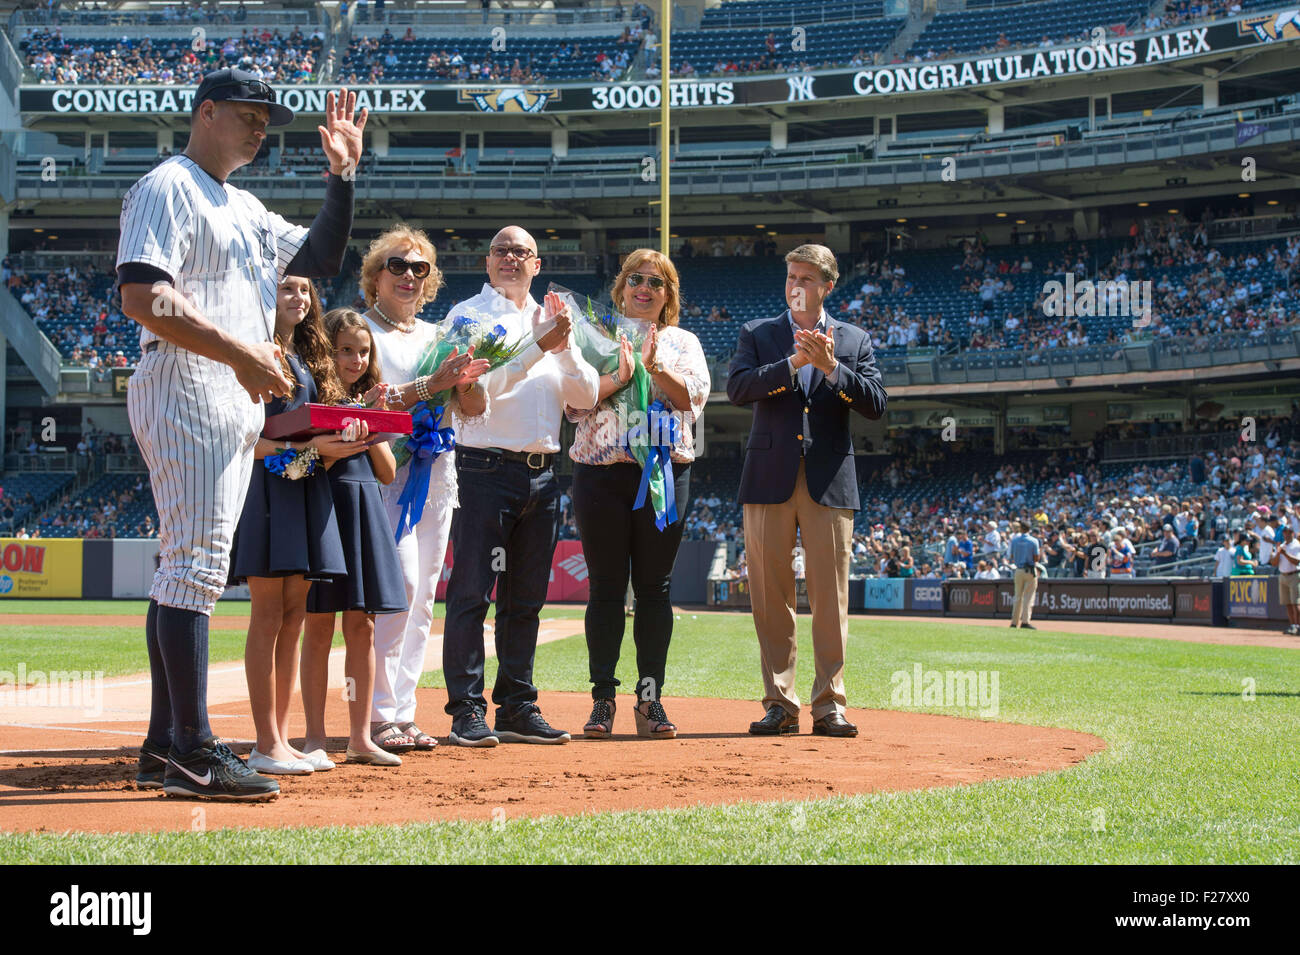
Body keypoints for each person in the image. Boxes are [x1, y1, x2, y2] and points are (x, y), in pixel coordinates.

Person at [117, 72, 365, 801]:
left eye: (267, 118)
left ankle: (165, 746)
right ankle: (194, 751)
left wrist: (343, 175)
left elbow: (320, 257)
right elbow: (142, 293)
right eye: (248, 114)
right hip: (187, 378)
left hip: (228, 390)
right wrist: (239, 351)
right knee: (193, 565)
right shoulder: (169, 185)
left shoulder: (246, 204)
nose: (261, 126)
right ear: (206, 112)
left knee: (185, 565)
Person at [440, 226, 599, 746]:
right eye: (501, 251)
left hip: (544, 472)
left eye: (522, 252)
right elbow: (475, 392)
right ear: (487, 262)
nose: (511, 258)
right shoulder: (467, 316)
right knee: (471, 593)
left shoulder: (554, 316)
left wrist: (566, 346)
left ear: (537, 262)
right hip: (484, 467)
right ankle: (466, 710)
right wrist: (539, 345)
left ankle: (516, 705)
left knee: (526, 599)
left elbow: (587, 394)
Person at [727, 243, 888, 738]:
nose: (795, 285)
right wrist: (794, 364)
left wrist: (833, 370)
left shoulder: (854, 339)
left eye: (805, 278)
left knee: (829, 598)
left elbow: (877, 404)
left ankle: (829, 705)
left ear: (827, 286)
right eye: (790, 276)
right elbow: (737, 390)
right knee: (771, 598)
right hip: (768, 479)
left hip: (830, 481)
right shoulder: (759, 333)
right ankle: (779, 702)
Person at [567, 249, 709, 740]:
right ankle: (602, 700)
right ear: (621, 287)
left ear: (669, 294)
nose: (644, 288)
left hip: (662, 474)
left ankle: (650, 702)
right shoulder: (594, 336)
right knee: (605, 588)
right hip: (600, 475)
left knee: (654, 590)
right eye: (635, 279)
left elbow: (693, 397)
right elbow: (572, 403)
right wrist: (623, 377)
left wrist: (653, 369)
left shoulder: (683, 341)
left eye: (657, 281)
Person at [358, 225, 489, 754]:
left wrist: (468, 383)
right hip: (385, 475)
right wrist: (429, 388)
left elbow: (475, 411)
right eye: (396, 265)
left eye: (420, 269)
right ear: (375, 275)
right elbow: (362, 402)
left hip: (437, 474)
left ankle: (404, 712)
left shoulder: (440, 338)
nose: (409, 276)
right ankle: (376, 712)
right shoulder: (361, 330)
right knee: (399, 590)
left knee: (424, 599)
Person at [228, 276, 354, 775]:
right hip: (264, 488)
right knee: (267, 614)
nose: (299, 298)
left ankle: (280, 739)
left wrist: (347, 430)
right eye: (286, 289)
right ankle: (264, 743)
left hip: (301, 485)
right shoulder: (248, 352)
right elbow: (243, 436)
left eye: (305, 290)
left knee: (294, 614)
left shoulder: (305, 358)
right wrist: (305, 451)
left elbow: (310, 431)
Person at [297, 309, 409, 765]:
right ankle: (314, 737)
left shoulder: (366, 402)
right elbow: (306, 466)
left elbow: (386, 472)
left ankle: (361, 737)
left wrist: (372, 423)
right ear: (327, 350)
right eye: (345, 350)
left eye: (363, 351)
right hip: (325, 514)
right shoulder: (314, 401)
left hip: (365, 513)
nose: (356, 359)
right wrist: (340, 429)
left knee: (362, 627)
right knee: (318, 626)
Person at [1009, 520, 1040, 630]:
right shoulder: (1033, 541)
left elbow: (1012, 555)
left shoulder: (1015, 540)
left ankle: (1014, 622)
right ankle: (1025, 621)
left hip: (1018, 569)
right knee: (1028, 597)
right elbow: (1036, 557)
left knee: (1017, 596)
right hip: (1030, 569)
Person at [1271, 525, 1300, 635]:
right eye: (1285, 532)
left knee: (1296, 603)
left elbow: (1297, 562)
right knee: (1287, 603)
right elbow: (1274, 563)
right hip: (1282, 575)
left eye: (1288, 532)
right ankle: (1293, 626)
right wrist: (1278, 553)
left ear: (1293, 533)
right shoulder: (1282, 546)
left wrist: (1285, 553)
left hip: (1294, 575)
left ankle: (1298, 626)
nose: (1286, 535)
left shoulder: (1296, 545)